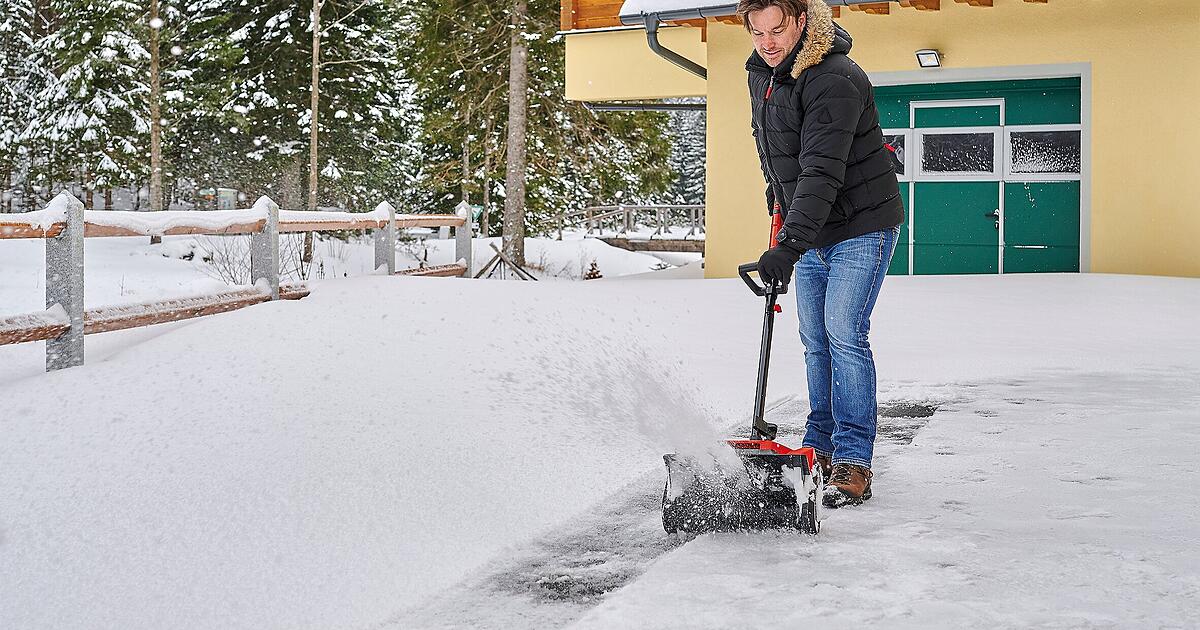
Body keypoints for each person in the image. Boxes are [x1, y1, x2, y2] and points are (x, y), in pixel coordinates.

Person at [739, 0, 904, 508]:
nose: (768, 42)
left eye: (779, 30)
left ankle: (854, 459)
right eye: (758, 31)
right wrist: (778, 204)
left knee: (843, 334)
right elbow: (775, 151)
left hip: (861, 225)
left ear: (804, 22)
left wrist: (790, 243)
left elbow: (821, 169)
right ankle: (820, 446)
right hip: (810, 225)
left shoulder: (833, 77)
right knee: (814, 338)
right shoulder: (763, 75)